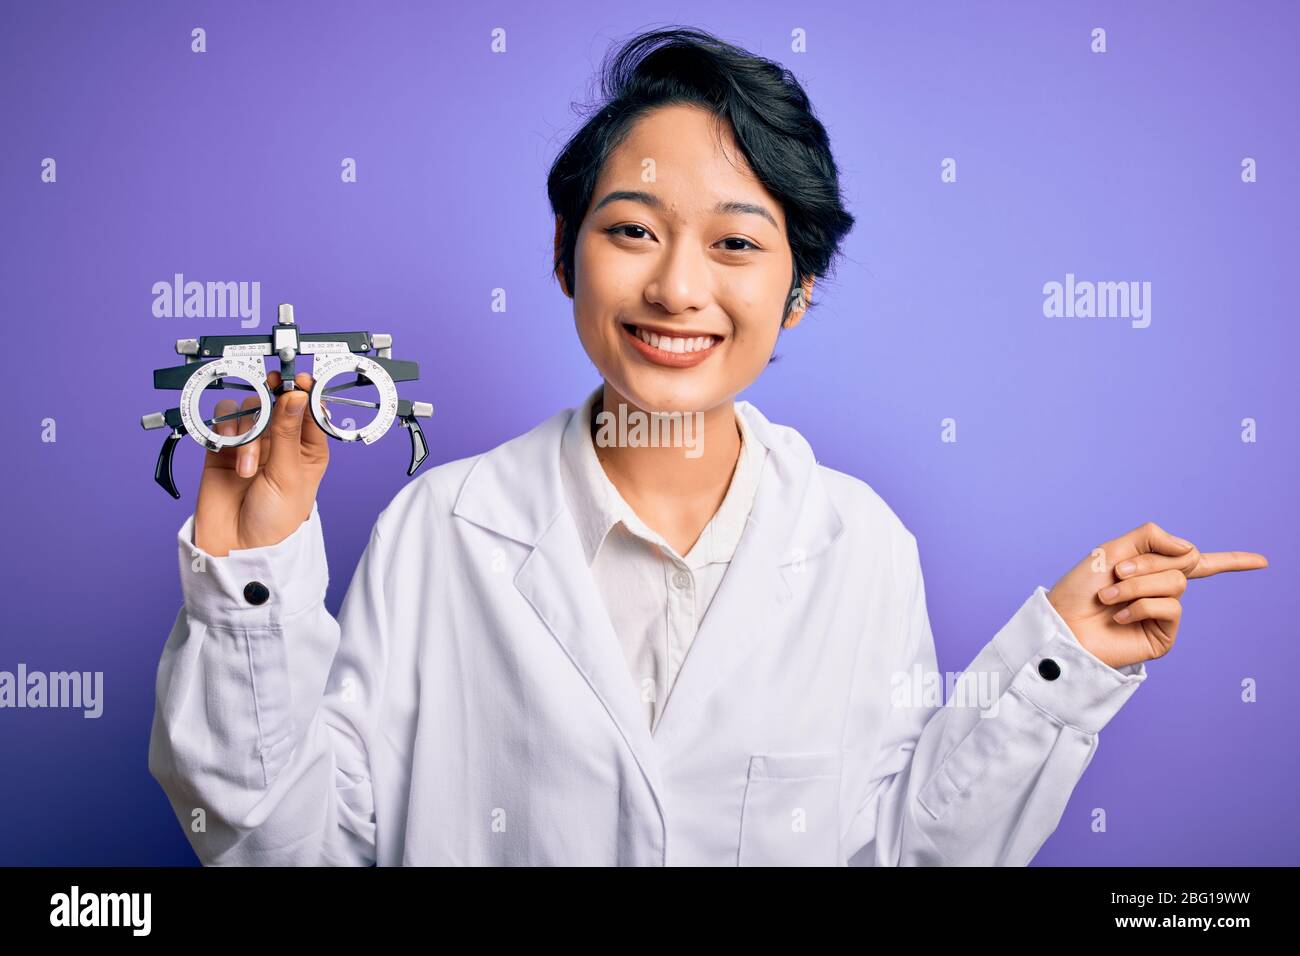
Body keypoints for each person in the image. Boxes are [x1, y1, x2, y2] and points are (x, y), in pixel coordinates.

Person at [147, 26, 1267, 866]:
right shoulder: (439, 530)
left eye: (736, 241)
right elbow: (280, 847)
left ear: (798, 293)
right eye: (631, 228)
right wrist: (248, 585)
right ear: (563, 251)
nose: (677, 286)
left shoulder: (857, 542)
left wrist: (1059, 658)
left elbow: (906, 854)